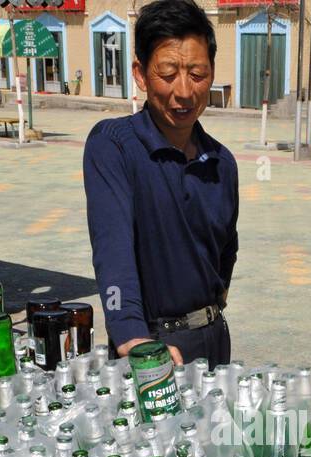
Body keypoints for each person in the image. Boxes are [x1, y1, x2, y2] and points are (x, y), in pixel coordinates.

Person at [83, 0, 238, 367]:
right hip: (150, 346)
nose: (184, 92)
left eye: (197, 74)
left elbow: (227, 250)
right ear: (140, 73)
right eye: (168, 74)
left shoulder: (222, 162)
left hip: (214, 340)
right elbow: (112, 250)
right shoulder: (114, 145)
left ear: (213, 72)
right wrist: (131, 337)